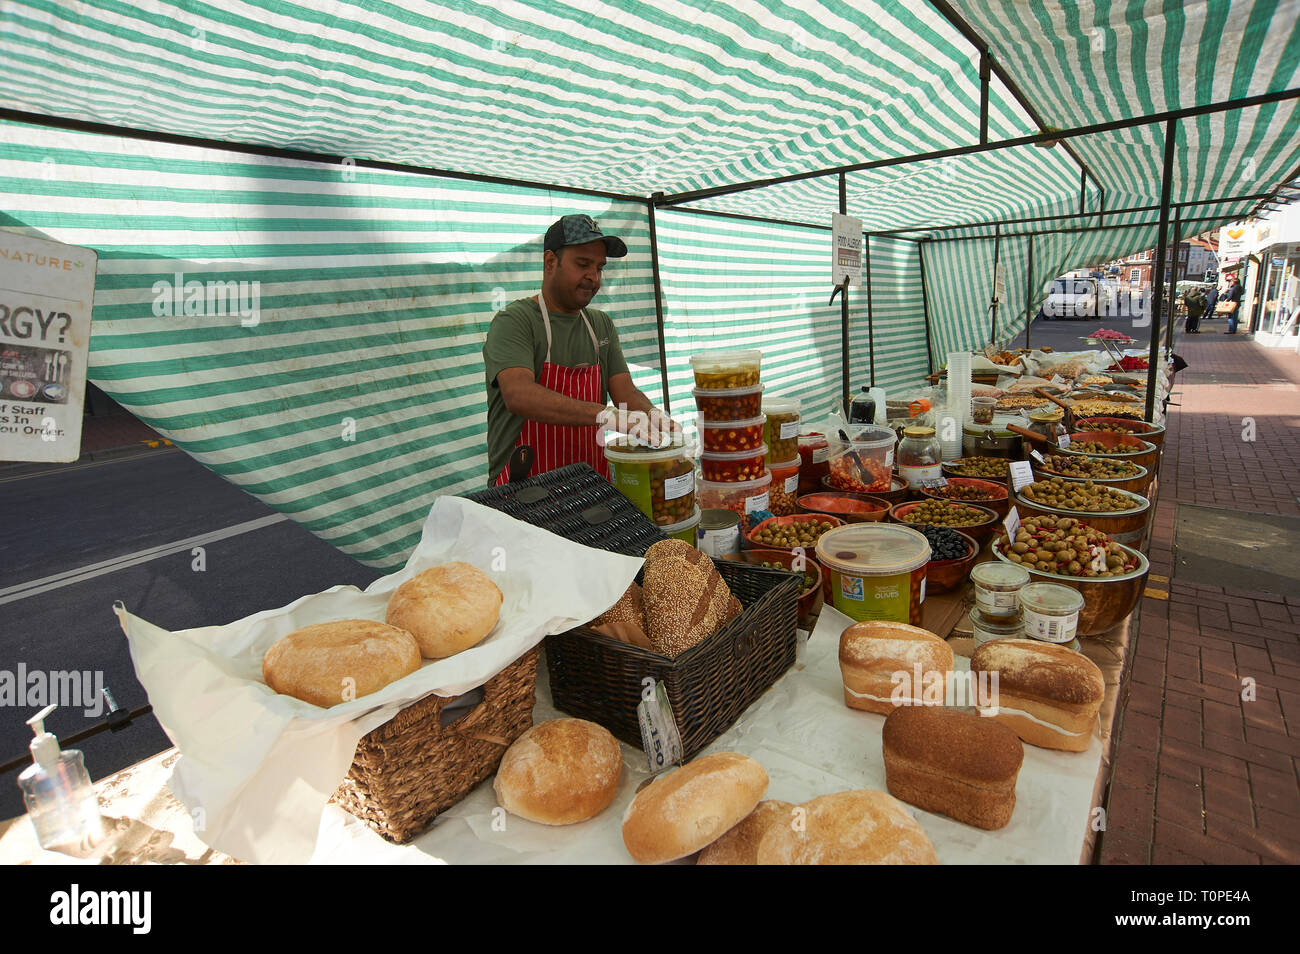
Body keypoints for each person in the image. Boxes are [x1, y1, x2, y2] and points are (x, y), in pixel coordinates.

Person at [482, 214, 675, 485]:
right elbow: (519, 395)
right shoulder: (516, 321)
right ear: (550, 262)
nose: (593, 278)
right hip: (524, 490)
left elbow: (626, 392)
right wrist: (607, 414)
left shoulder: (600, 326)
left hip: (588, 485)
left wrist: (653, 414)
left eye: (599, 268)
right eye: (582, 264)